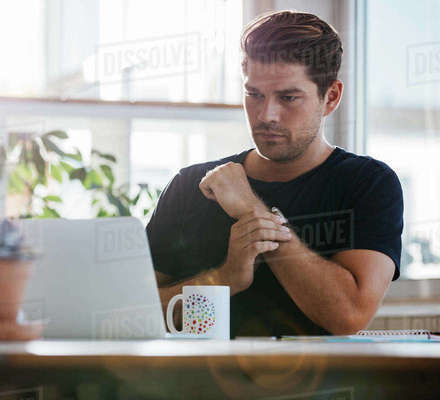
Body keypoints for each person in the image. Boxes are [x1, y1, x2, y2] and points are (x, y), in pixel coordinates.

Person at [146, 10, 404, 337]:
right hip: (199, 385)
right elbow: (139, 313)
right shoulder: (190, 186)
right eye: (254, 94)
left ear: (331, 97)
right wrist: (223, 280)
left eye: (288, 97)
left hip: (318, 388)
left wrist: (253, 211)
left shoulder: (368, 183)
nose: (266, 115)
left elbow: (348, 316)